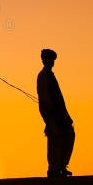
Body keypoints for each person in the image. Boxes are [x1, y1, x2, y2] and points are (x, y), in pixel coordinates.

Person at [36, 48, 75, 178]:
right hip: (52, 114)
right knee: (55, 139)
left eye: (52, 60)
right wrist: (50, 117)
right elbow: (45, 98)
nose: (51, 62)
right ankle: (54, 168)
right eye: (49, 59)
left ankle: (61, 166)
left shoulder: (49, 75)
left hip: (60, 114)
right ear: (43, 60)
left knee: (67, 136)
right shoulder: (43, 76)